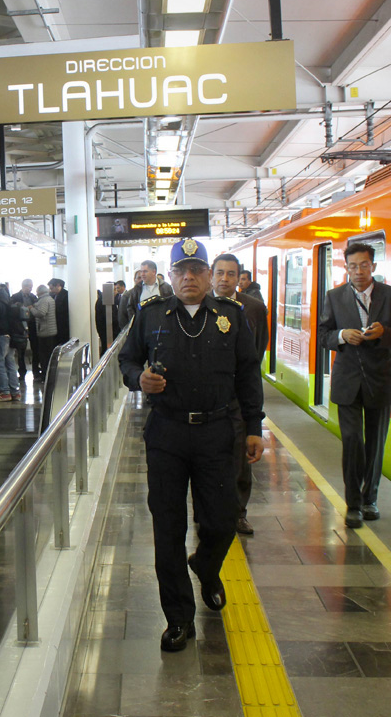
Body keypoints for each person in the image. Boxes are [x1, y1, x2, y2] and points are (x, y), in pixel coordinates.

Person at [118, 239, 265, 653]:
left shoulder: (231, 318)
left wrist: (253, 426)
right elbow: (127, 360)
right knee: (167, 528)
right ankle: (179, 618)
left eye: (197, 270)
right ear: (170, 275)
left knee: (221, 521)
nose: (189, 277)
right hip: (166, 433)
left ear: (209, 275)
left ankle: (206, 564)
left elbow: (248, 375)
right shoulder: (150, 316)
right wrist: (138, 379)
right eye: (181, 270)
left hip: (217, 432)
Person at [317, 242, 391, 529]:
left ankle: (370, 498)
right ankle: (353, 504)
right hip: (347, 381)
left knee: (375, 443)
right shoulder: (334, 297)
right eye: (352, 266)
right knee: (352, 441)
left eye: (363, 265)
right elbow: (324, 335)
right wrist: (342, 335)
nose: (358, 271)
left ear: (373, 266)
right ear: (345, 268)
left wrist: (385, 334)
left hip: (380, 381)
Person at [212, 253, 270, 536]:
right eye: (220, 273)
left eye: (231, 274)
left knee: (240, 458)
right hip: (209, 396)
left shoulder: (255, 309)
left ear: (239, 279)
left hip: (240, 394)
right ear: (211, 276)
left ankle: (238, 514)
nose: (224, 279)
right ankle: (208, 512)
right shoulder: (199, 305)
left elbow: (256, 353)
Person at [119, 260, 174, 331]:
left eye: (145, 271)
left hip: (161, 328)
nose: (142, 274)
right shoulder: (137, 288)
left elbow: (171, 306)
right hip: (142, 330)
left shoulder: (166, 287)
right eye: (141, 271)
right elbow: (130, 308)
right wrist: (134, 325)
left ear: (154, 272)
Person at [10, 279, 37, 379]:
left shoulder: (33, 297)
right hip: (19, 327)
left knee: (35, 348)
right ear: (23, 286)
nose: (29, 289)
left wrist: (32, 306)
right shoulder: (15, 297)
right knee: (20, 351)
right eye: (28, 287)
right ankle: (22, 372)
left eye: (31, 287)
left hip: (32, 325)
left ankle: (36, 371)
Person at [30, 283, 57, 377]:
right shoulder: (50, 299)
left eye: (37, 292)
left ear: (40, 292)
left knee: (44, 355)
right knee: (49, 354)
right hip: (51, 330)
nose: (36, 293)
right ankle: (49, 374)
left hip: (45, 331)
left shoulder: (44, 300)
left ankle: (46, 374)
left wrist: (32, 309)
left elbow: (41, 313)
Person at [48, 278, 70, 343]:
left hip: (63, 325)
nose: (51, 291)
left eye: (52, 288)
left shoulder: (66, 295)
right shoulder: (53, 295)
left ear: (58, 285)